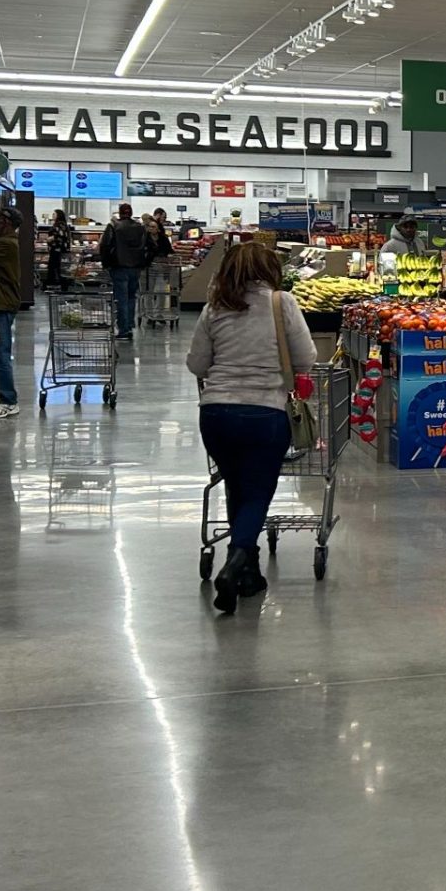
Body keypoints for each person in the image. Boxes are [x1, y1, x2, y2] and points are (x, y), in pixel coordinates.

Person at [187, 240, 317, 613]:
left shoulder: (214, 308)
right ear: (270, 270)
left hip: (216, 415)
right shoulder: (283, 303)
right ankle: (237, 558)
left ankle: (249, 573)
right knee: (258, 491)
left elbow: (197, 364)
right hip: (265, 413)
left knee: (237, 487)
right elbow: (306, 358)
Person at [99, 202, 151, 339]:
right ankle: (129, 326)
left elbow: (105, 245)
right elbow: (148, 245)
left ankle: (123, 329)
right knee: (131, 297)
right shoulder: (140, 227)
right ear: (131, 213)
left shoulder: (114, 226)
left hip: (119, 266)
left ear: (120, 213)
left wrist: (106, 264)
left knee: (121, 298)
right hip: (135, 267)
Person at [0, 208, 22, 418]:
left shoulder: (5, 245)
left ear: (8, 223)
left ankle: (9, 400)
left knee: (1, 353)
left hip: (3, 304)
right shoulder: (6, 242)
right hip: (2, 303)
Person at [46, 208, 73, 292]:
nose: (53, 216)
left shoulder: (59, 225)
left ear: (58, 215)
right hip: (62, 250)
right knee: (61, 268)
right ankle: (62, 285)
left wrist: (50, 239)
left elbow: (59, 236)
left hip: (57, 250)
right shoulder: (63, 224)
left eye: (54, 214)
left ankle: (53, 285)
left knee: (55, 267)